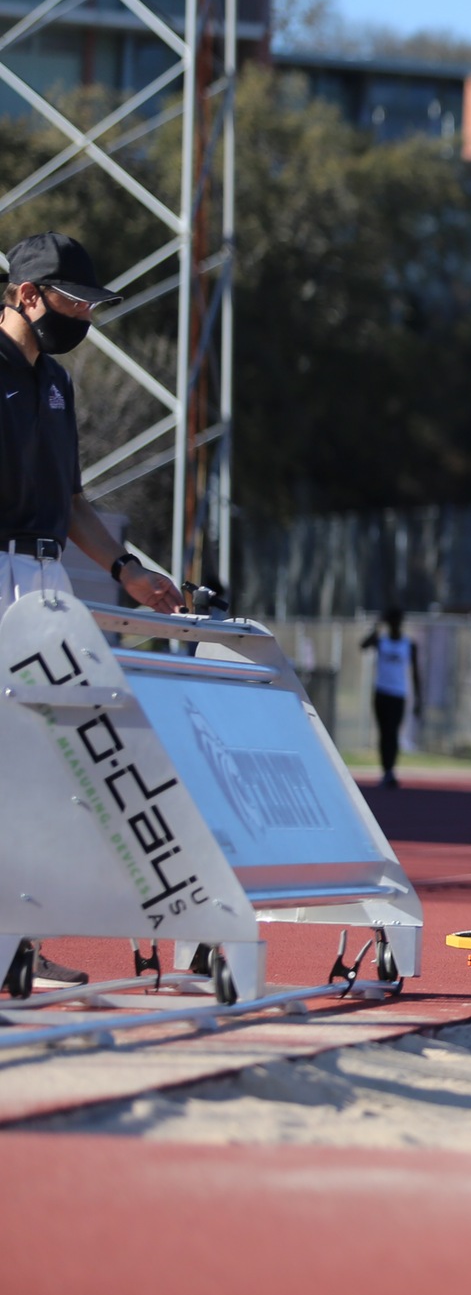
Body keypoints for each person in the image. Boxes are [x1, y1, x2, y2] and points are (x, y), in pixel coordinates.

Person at [2, 231, 185, 989]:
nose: (83, 316)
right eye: (72, 301)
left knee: (47, 765)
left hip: (49, 576)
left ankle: (22, 945)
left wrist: (125, 569)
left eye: (89, 304)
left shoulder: (57, 386)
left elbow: (73, 501)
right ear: (26, 295)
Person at [360, 606, 415, 790]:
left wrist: (419, 699)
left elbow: (416, 674)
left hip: (398, 695)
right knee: (384, 733)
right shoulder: (381, 641)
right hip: (381, 692)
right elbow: (363, 645)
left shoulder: (409, 645)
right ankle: (386, 771)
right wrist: (376, 625)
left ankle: (391, 770)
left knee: (393, 733)